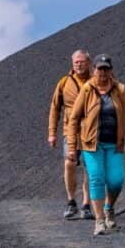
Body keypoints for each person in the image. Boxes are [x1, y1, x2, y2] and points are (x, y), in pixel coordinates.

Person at [65, 54, 125, 235]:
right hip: (91, 145)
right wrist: (72, 146)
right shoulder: (87, 90)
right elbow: (74, 118)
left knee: (116, 181)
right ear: (94, 70)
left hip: (114, 144)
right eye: (100, 69)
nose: (103, 73)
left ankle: (109, 208)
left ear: (111, 70)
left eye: (106, 69)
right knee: (96, 178)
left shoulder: (119, 90)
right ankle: (99, 221)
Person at [48, 50, 95, 220]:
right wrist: (52, 133)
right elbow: (55, 108)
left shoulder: (96, 80)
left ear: (88, 62)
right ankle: (71, 201)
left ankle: (87, 205)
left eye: (82, 62)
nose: (79, 65)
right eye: (76, 62)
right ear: (72, 63)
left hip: (91, 130)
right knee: (69, 163)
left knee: (90, 167)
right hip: (70, 131)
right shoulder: (64, 82)